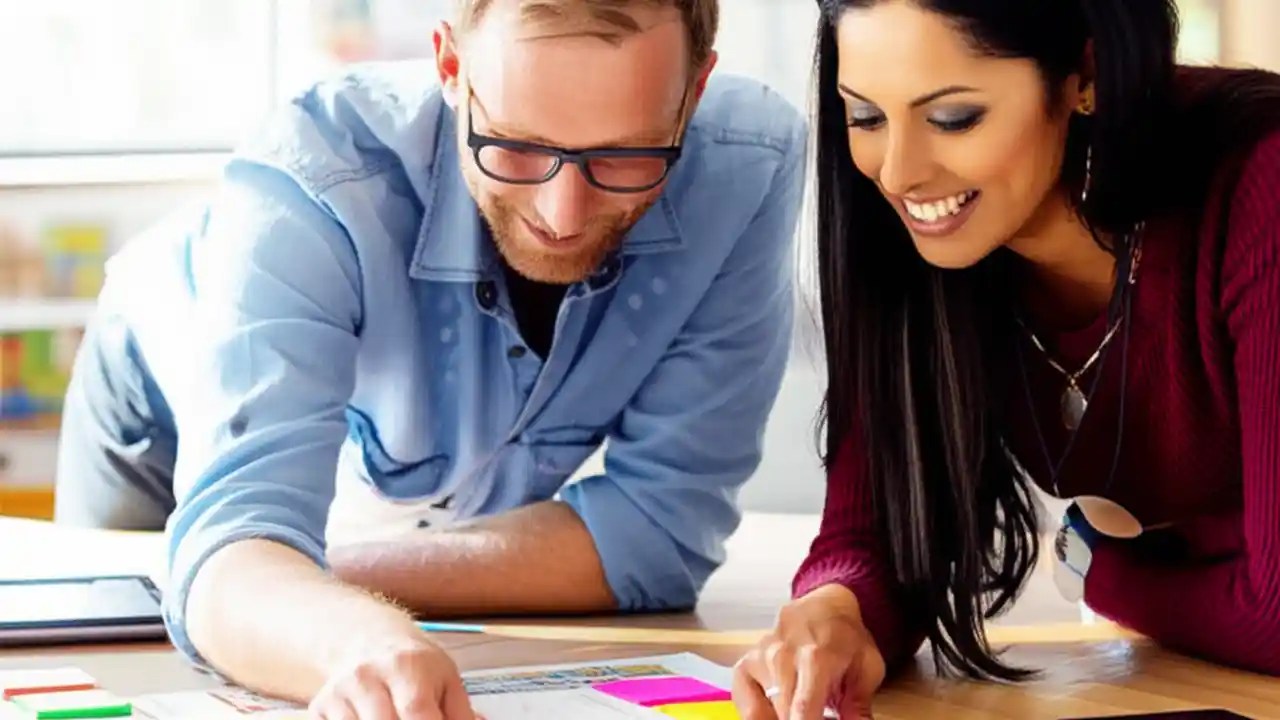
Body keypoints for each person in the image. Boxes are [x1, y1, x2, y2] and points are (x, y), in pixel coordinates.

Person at [54, 0, 807, 716]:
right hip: (155, 411)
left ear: (695, 90)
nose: (562, 217)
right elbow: (229, 549)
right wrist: (331, 623)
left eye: (623, 156)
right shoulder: (316, 170)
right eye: (515, 145)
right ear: (449, 65)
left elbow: (658, 533)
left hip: (398, 510)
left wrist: (309, 592)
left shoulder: (753, 164)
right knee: (112, 661)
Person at [733, 0, 1280, 717]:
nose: (897, 172)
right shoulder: (928, 230)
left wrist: (1096, 571)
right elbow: (877, 534)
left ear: (1086, 73)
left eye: (954, 118)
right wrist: (838, 613)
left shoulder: (1261, 188)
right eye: (865, 116)